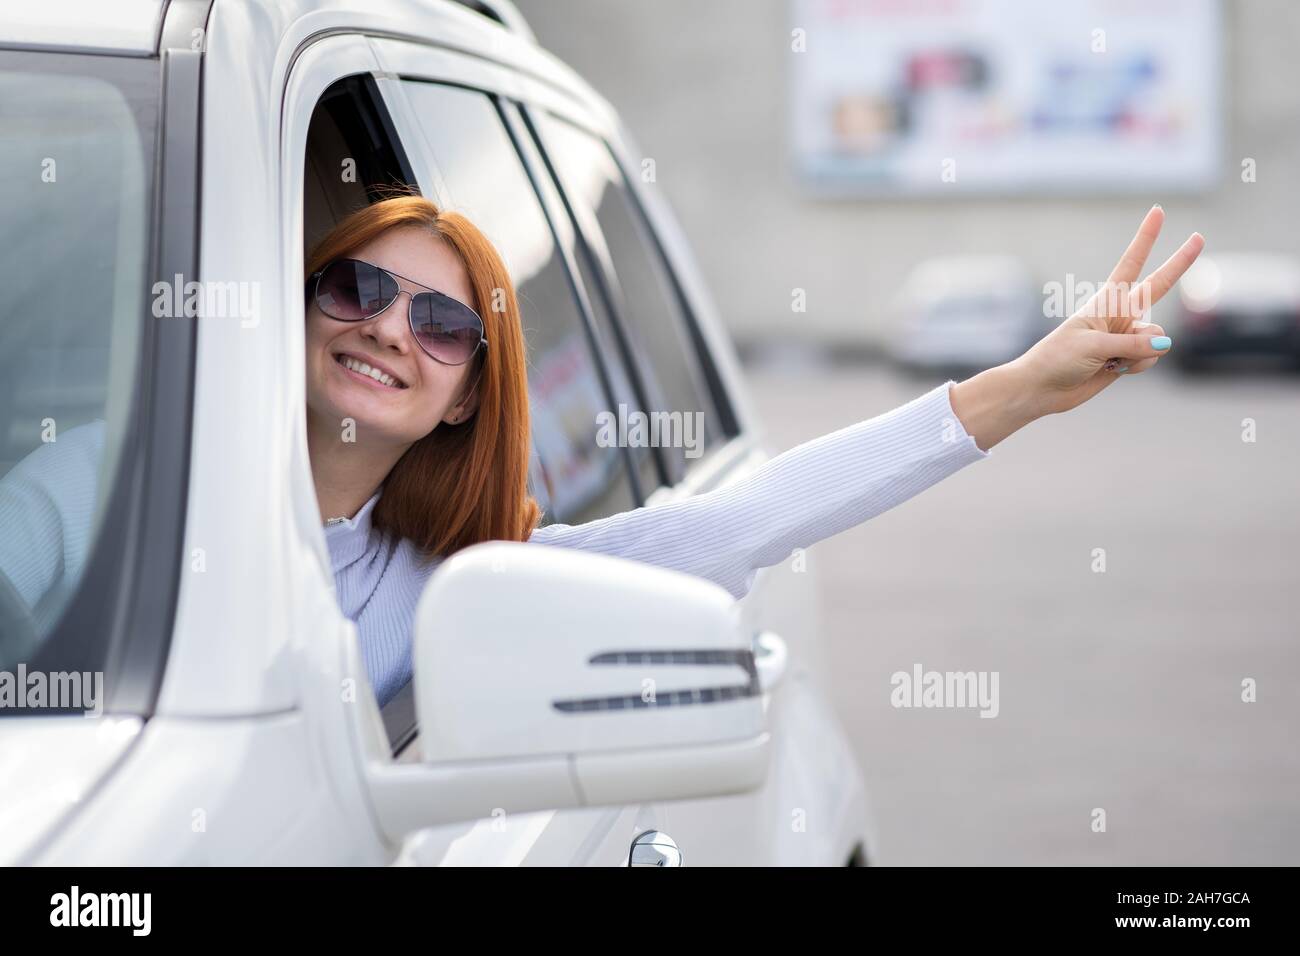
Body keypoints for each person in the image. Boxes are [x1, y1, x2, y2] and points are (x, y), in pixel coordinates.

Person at [0, 197, 1203, 706]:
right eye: (358, 285)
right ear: (306, 302)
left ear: (469, 394)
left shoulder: (458, 582)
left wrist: (1018, 390)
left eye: (441, 321)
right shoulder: (113, 472)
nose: (385, 326)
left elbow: (750, 517)